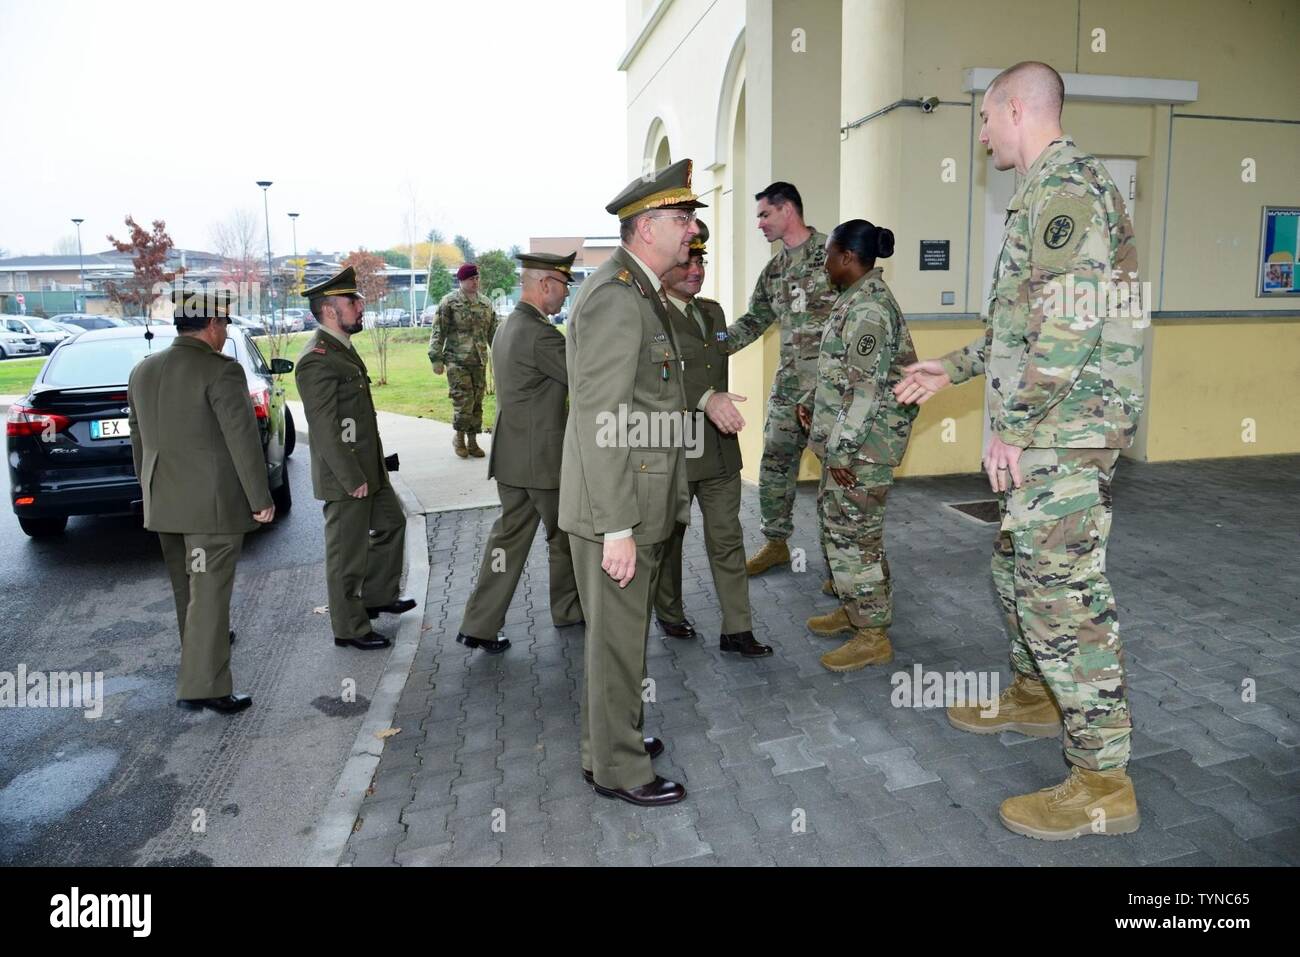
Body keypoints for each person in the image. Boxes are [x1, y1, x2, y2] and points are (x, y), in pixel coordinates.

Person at [893, 60, 1145, 840]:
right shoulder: (1043, 193)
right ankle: (1036, 699)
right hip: (1051, 427)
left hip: (1063, 434)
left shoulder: (1067, 193)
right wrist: (953, 368)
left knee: (1066, 599)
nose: (980, 134)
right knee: (1017, 572)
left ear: (1013, 108)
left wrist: (1015, 425)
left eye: (983, 119)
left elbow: (1066, 332)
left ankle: (1104, 782)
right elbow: (1020, 330)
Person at [559, 158, 701, 807]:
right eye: (681, 219)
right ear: (645, 229)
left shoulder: (639, 290)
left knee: (620, 638)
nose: (691, 231)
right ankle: (617, 766)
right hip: (613, 508)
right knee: (617, 643)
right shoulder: (618, 298)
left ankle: (612, 739)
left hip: (634, 498)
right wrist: (616, 523)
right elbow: (601, 416)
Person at [127, 288, 273, 714]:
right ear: (212, 325)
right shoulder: (221, 371)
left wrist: (146, 487)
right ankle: (202, 687)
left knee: (187, 591)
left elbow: (138, 439)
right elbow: (242, 440)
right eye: (224, 324)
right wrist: (260, 498)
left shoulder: (143, 371)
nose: (226, 332)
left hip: (165, 502)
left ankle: (197, 669)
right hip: (210, 506)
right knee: (209, 593)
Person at [797, 220, 917, 672]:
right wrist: (812, 402)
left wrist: (842, 453)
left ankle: (872, 635)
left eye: (828, 253)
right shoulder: (854, 300)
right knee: (846, 531)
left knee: (855, 536)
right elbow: (842, 373)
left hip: (863, 448)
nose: (824, 262)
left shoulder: (868, 309)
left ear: (848, 256)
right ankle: (855, 610)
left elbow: (865, 392)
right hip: (849, 441)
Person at [649, 222, 771, 658]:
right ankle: (670, 611)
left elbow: (719, 354)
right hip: (675, 450)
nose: (696, 269)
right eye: (686, 261)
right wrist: (703, 397)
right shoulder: (649, 315)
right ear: (664, 267)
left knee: (728, 539)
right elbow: (648, 379)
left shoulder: (714, 313)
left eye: (701, 261)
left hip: (719, 451)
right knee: (668, 540)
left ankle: (737, 628)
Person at [456, 251, 584, 654]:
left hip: (511, 457)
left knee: (507, 540)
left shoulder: (508, 326)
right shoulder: (541, 334)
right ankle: (568, 609)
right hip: (542, 463)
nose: (566, 295)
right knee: (567, 535)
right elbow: (584, 378)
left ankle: (478, 624)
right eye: (564, 286)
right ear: (545, 284)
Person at [717, 182, 838, 577]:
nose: (760, 224)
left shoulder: (834, 255)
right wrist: (709, 344)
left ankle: (842, 563)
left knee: (838, 474)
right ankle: (776, 543)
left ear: (788, 210)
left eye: (764, 215)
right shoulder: (774, 271)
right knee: (775, 466)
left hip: (831, 392)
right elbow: (754, 321)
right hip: (789, 390)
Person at [295, 266, 415, 651]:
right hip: (347, 476)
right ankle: (349, 628)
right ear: (330, 310)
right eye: (353, 301)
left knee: (392, 523)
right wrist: (350, 476)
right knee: (346, 555)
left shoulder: (339, 347)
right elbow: (324, 428)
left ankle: (377, 597)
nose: (361, 306)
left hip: (369, 468)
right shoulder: (316, 358)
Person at [429, 262, 497, 459]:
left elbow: (494, 332)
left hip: (479, 360)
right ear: (461, 281)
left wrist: (502, 352)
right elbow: (437, 331)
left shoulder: (485, 303)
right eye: (470, 279)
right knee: (463, 401)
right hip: (456, 361)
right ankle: (459, 438)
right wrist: (436, 358)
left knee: (477, 401)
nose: (475, 282)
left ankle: (473, 441)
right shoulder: (449, 302)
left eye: (477, 278)